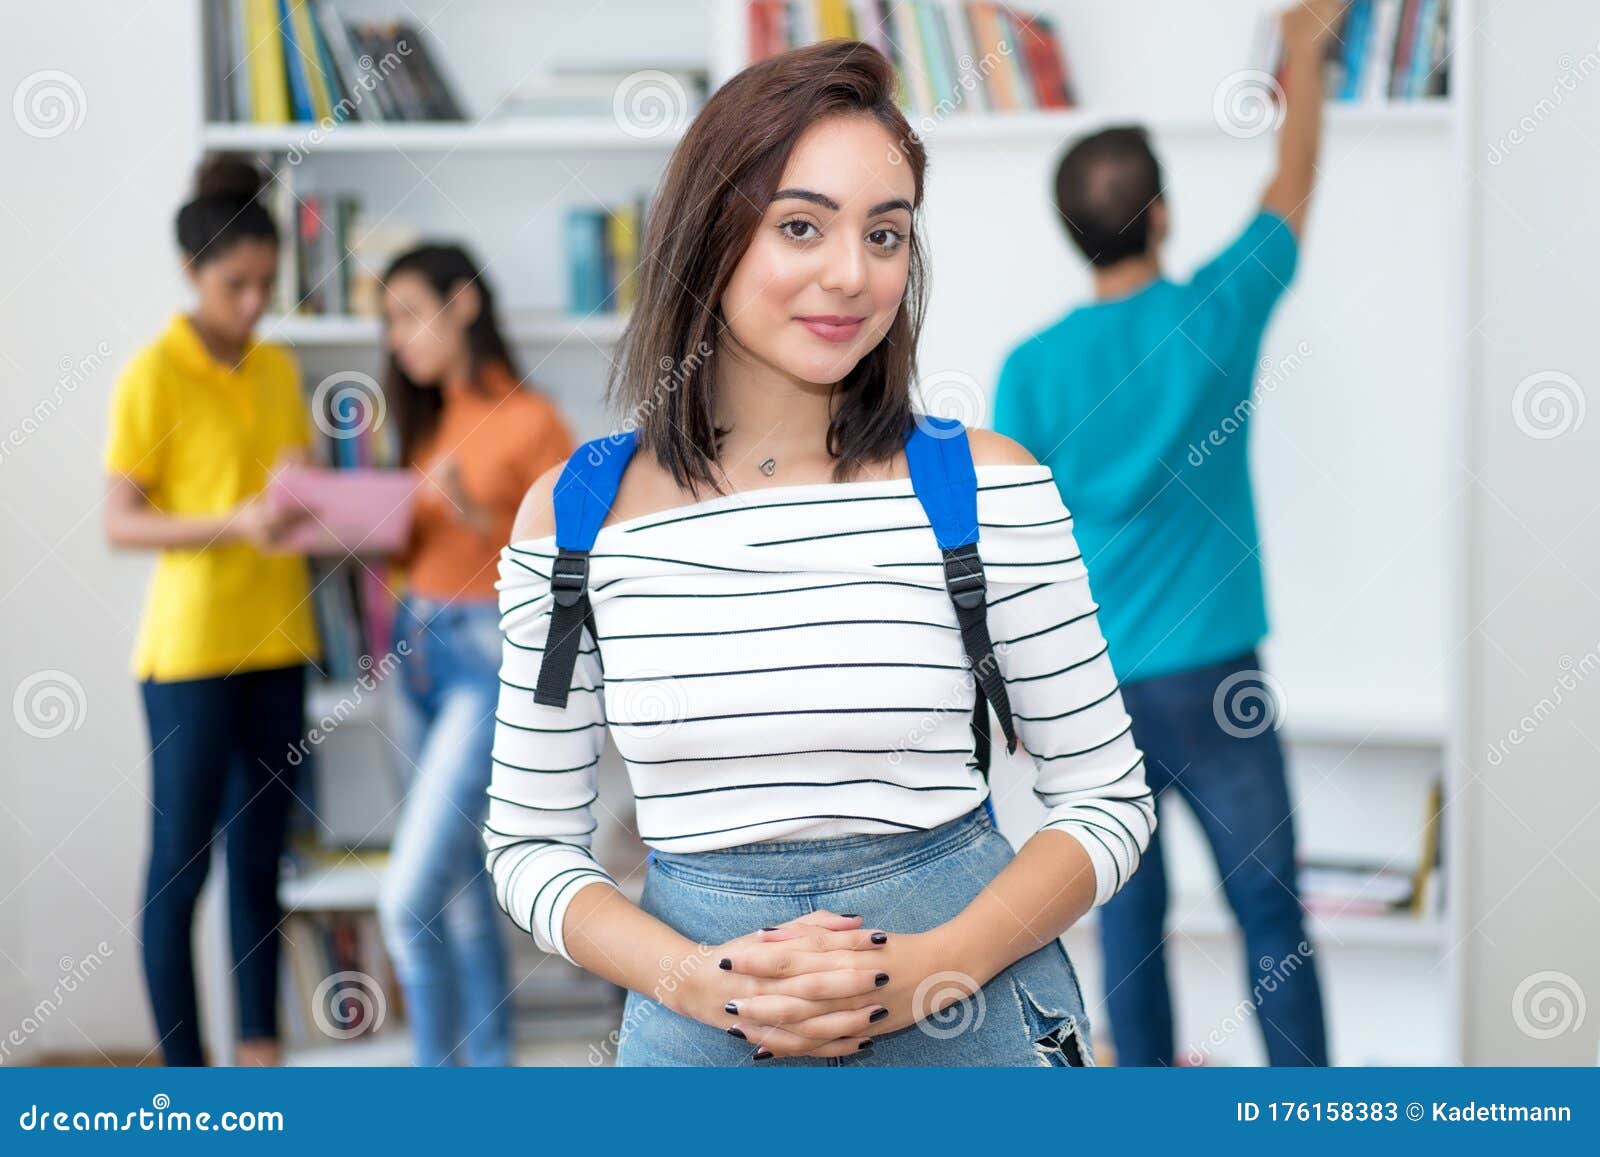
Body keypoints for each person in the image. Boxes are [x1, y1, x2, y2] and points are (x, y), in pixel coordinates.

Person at [481, 40, 1155, 1067]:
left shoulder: (985, 486)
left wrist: (934, 967)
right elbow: (528, 845)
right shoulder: (575, 518)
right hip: (699, 1044)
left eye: (885, 234)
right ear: (710, 233)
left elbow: (1107, 797)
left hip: (971, 1031)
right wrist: (697, 980)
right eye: (801, 225)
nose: (852, 274)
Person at [992, 1, 1345, 1066]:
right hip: (1218, 679)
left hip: (1094, 694)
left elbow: (1010, 550)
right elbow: (1291, 183)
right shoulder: (1214, 314)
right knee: (1271, 915)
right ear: (1162, 215)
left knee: (1128, 931)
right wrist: (1301, 53)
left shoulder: (1030, 369)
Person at [103, 155, 319, 1066]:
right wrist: (233, 522)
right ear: (193, 271)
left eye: (267, 283)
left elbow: (289, 497)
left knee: (260, 863)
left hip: (280, 641)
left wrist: (311, 502)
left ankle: (260, 1064)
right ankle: (186, 1084)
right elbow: (120, 520)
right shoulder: (154, 373)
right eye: (237, 285)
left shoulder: (277, 369)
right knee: (180, 869)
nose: (255, 303)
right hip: (190, 656)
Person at [375, 243, 577, 1066]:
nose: (397, 338)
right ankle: (487, 1081)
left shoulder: (534, 421)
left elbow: (568, 564)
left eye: (409, 314)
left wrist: (472, 514)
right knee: (458, 895)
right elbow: (408, 549)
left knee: (406, 901)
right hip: (411, 648)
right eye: (388, 323)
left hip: (484, 656)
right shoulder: (424, 418)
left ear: (462, 304)